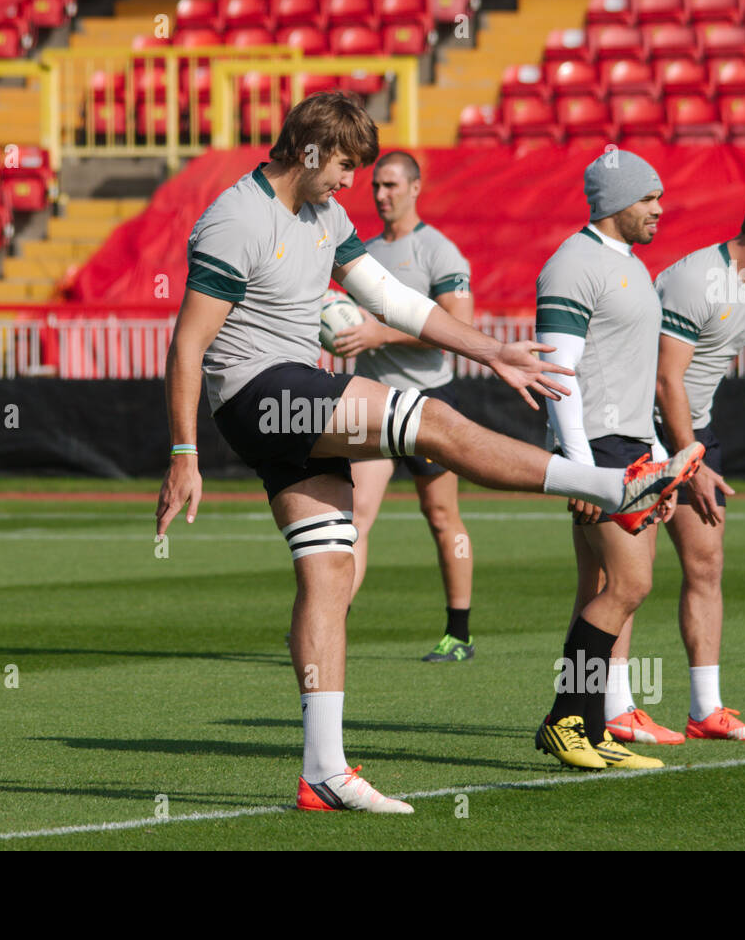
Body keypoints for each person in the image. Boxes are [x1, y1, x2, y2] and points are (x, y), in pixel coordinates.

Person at [155, 93, 704, 812]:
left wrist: (491, 351)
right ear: (310, 150)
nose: (352, 183)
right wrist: (183, 451)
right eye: (347, 166)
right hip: (260, 396)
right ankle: (608, 487)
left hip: (293, 395)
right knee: (432, 419)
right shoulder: (235, 217)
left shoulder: (327, 216)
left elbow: (392, 299)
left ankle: (323, 771)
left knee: (329, 570)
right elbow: (187, 344)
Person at [608, 176, 745, 745]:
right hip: (635, 432)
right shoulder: (695, 279)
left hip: (692, 434)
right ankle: (617, 708)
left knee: (706, 567)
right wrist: (688, 461)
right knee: (631, 577)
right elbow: (663, 379)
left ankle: (706, 711)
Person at [532, 149, 682, 772]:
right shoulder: (573, 264)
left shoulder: (631, 265)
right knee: (631, 584)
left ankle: (588, 728)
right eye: (649, 198)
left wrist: (660, 455)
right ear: (617, 200)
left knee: (598, 587)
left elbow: (630, 374)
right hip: (599, 450)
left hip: (629, 449)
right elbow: (557, 370)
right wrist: (581, 466)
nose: (659, 208)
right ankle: (566, 721)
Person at [331, 150, 478, 663]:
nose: (381, 194)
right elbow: (349, 322)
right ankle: (332, 623)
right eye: (376, 186)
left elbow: (458, 326)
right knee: (356, 516)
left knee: (440, 515)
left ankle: (458, 633)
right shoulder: (363, 253)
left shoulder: (440, 252)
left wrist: (375, 334)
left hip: (428, 401)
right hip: (371, 401)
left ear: (416, 188)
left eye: (392, 184)